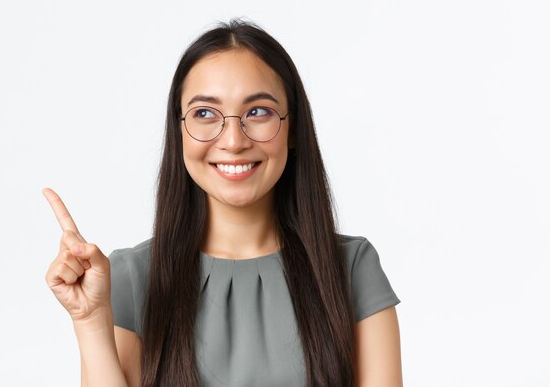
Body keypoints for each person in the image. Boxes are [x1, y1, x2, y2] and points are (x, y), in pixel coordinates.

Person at [44, 19, 402, 387]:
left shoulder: (351, 269)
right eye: (204, 114)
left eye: (258, 111)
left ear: (293, 128)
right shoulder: (131, 277)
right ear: (179, 131)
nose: (233, 140)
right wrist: (89, 322)